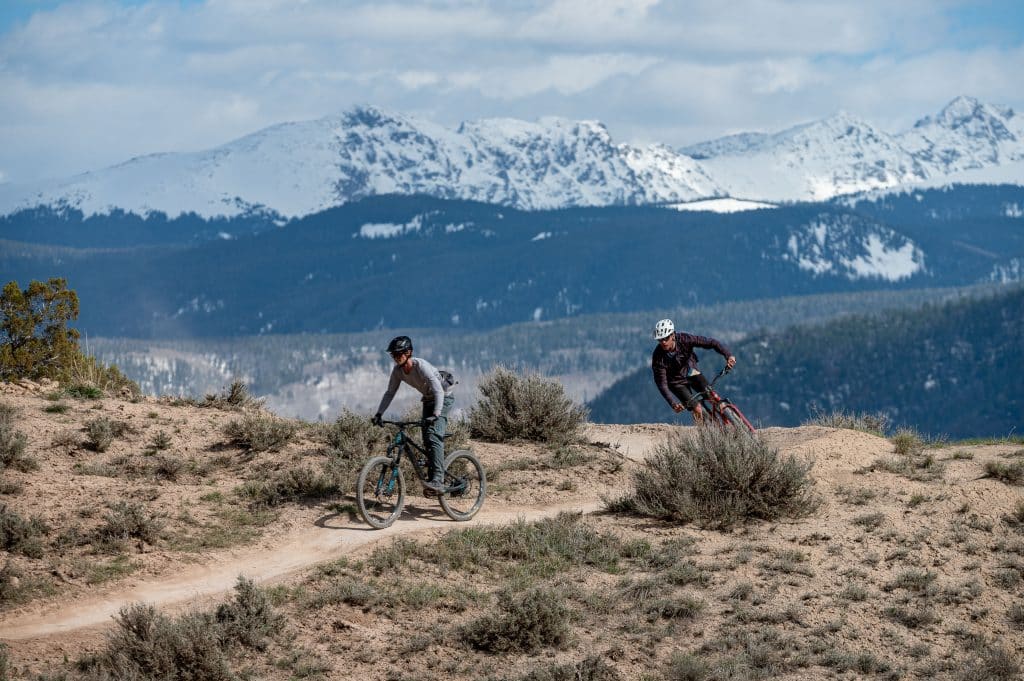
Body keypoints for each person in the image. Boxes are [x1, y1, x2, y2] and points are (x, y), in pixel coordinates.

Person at [372, 335, 454, 493]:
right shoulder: (398, 372)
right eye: (393, 355)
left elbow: (438, 391)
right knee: (426, 438)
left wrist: (436, 414)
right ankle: (432, 477)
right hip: (428, 399)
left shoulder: (421, 366)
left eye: (398, 354)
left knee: (434, 435)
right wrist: (379, 413)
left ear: (408, 352)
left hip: (443, 397)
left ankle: (438, 480)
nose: (396, 358)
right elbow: (390, 393)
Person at [651, 318, 736, 423]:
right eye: (660, 339)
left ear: (672, 335)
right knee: (697, 409)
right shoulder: (658, 357)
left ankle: (734, 420)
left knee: (713, 396)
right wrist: (673, 403)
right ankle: (704, 433)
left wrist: (728, 356)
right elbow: (661, 384)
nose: (663, 342)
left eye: (666, 338)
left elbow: (712, 343)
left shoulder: (685, 339)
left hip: (690, 371)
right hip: (676, 383)